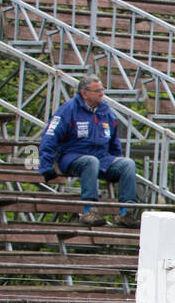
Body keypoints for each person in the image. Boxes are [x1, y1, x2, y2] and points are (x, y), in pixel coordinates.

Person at [38, 75, 140, 228]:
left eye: (102, 90)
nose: (101, 93)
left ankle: (127, 212)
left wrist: (115, 166)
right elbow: (50, 136)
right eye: (97, 90)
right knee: (91, 161)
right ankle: (89, 210)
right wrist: (46, 165)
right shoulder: (68, 109)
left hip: (102, 158)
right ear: (84, 93)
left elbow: (114, 142)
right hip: (73, 157)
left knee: (127, 164)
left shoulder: (106, 111)